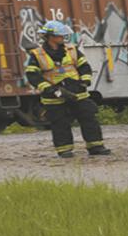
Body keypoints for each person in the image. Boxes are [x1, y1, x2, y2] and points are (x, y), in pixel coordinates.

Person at [24, 19, 110, 159]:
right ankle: (64, 150)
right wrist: (49, 89)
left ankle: (96, 147)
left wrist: (85, 81)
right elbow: (32, 75)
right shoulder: (37, 54)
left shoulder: (72, 49)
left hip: (77, 92)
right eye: (60, 36)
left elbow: (84, 67)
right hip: (54, 94)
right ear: (50, 37)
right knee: (59, 123)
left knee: (88, 117)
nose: (63, 38)